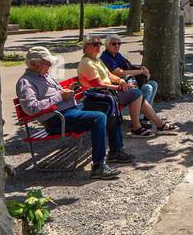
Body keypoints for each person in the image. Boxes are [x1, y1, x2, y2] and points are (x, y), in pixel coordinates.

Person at [16, 46, 129, 179]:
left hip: (69, 111)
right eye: (46, 62)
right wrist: (59, 96)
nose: (50, 65)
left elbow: (55, 93)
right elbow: (31, 108)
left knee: (105, 105)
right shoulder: (26, 82)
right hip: (57, 120)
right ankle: (98, 166)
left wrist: (68, 90)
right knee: (99, 118)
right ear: (33, 63)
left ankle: (116, 150)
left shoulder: (44, 75)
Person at [78, 35, 179, 137]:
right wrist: (119, 87)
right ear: (86, 47)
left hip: (108, 92)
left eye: (99, 44)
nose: (98, 46)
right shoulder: (87, 63)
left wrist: (121, 81)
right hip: (100, 96)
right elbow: (98, 84)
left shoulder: (96, 60)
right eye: (95, 44)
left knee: (138, 91)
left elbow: (109, 75)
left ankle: (158, 125)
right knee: (136, 93)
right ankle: (138, 127)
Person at [101, 36, 159, 113]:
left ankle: (146, 115)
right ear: (107, 45)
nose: (117, 45)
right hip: (118, 89)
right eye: (114, 44)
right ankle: (140, 117)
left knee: (153, 84)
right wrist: (141, 72)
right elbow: (120, 73)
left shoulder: (117, 55)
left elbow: (130, 66)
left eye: (119, 43)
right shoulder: (106, 57)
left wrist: (143, 68)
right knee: (147, 87)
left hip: (129, 83)